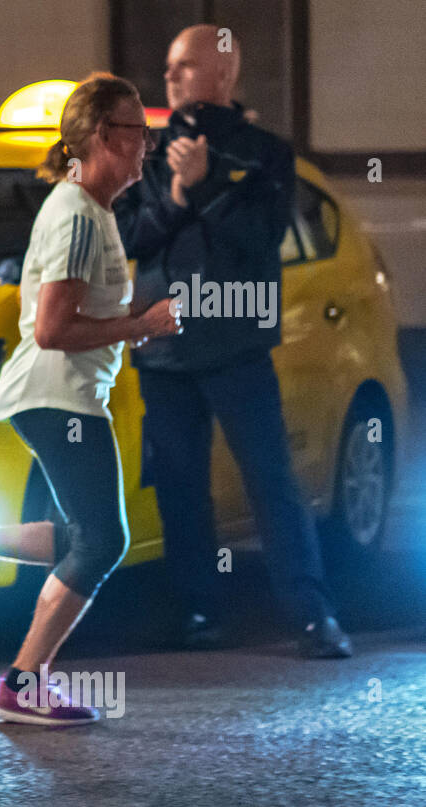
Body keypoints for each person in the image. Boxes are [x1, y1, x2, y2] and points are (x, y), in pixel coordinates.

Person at [0, 73, 182, 725]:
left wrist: (137, 318)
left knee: (79, 535)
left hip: (58, 393)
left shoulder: (88, 209)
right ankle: (24, 682)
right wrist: (143, 325)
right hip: (60, 395)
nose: (149, 144)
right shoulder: (78, 213)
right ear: (106, 136)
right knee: (104, 542)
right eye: (139, 131)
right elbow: (52, 330)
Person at [113, 24, 352, 658]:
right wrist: (179, 192)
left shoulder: (265, 153)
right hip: (164, 348)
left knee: (271, 480)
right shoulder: (149, 151)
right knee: (180, 488)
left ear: (223, 75)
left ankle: (312, 616)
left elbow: (263, 235)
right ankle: (198, 613)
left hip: (236, 343)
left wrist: (214, 178)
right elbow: (132, 238)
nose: (170, 76)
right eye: (168, 66)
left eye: (185, 66)